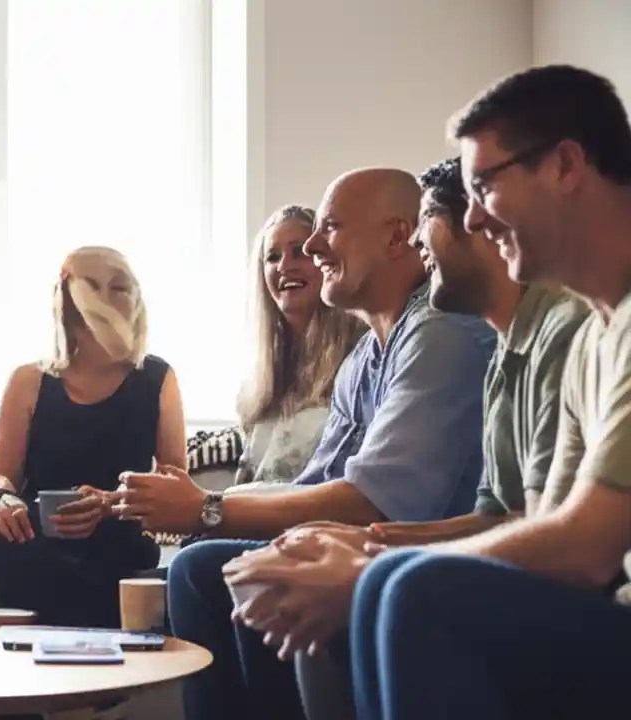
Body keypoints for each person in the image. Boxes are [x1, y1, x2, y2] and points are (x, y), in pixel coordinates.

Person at [222, 156, 589, 720]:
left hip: (587, 596)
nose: (418, 243)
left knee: (397, 590)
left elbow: (559, 537)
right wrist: (366, 540)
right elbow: (500, 515)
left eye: (427, 224)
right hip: (532, 563)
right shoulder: (504, 351)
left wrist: (372, 559)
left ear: (481, 225)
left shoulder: (550, 332)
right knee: (319, 569)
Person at [141, 168, 496, 720]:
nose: (311, 248)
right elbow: (315, 486)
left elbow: (370, 502)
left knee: (202, 569)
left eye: (329, 227)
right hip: (371, 543)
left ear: (398, 236)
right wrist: (197, 509)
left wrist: (208, 509)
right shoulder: (365, 358)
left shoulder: (441, 334)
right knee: (200, 565)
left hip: (425, 553)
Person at [346, 65, 631, 720]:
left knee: (414, 592)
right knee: (392, 584)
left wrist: (370, 567)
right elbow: (545, 519)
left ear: (565, 165)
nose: (474, 217)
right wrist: (373, 558)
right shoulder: (598, 336)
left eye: (484, 187)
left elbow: (586, 551)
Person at [0, 246, 187, 628]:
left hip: (118, 535)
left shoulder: (158, 378)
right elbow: (2, 474)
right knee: (9, 552)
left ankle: (79, 653)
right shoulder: (28, 380)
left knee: (111, 566)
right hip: (35, 537)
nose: (106, 298)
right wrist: (3, 498)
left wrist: (110, 503)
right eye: (91, 286)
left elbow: (175, 485)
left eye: (119, 287)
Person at [234, 205, 363, 489]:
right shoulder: (261, 379)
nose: (284, 266)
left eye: (299, 252)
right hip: (252, 512)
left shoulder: (361, 355)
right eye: (273, 257)